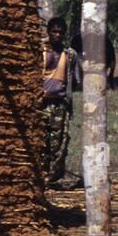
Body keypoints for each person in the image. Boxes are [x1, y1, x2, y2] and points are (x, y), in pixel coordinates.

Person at [42, 18, 77, 185]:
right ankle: (40, 174)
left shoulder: (70, 54)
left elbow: (73, 80)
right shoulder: (39, 49)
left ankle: (52, 177)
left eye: (61, 32)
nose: (57, 35)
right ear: (47, 31)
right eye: (54, 31)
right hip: (40, 103)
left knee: (59, 141)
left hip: (60, 103)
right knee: (40, 138)